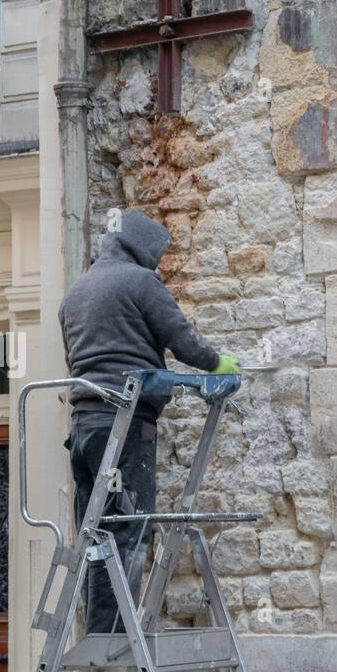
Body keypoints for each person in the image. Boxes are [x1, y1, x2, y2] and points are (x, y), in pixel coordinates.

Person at [58, 209, 241, 634]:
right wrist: (217, 364)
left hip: (84, 427)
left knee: (94, 532)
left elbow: (82, 360)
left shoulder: (74, 294)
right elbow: (181, 339)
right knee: (128, 528)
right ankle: (116, 637)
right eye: (154, 256)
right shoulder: (139, 282)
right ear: (139, 247)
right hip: (124, 424)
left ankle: (98, 628)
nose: (156, 265)